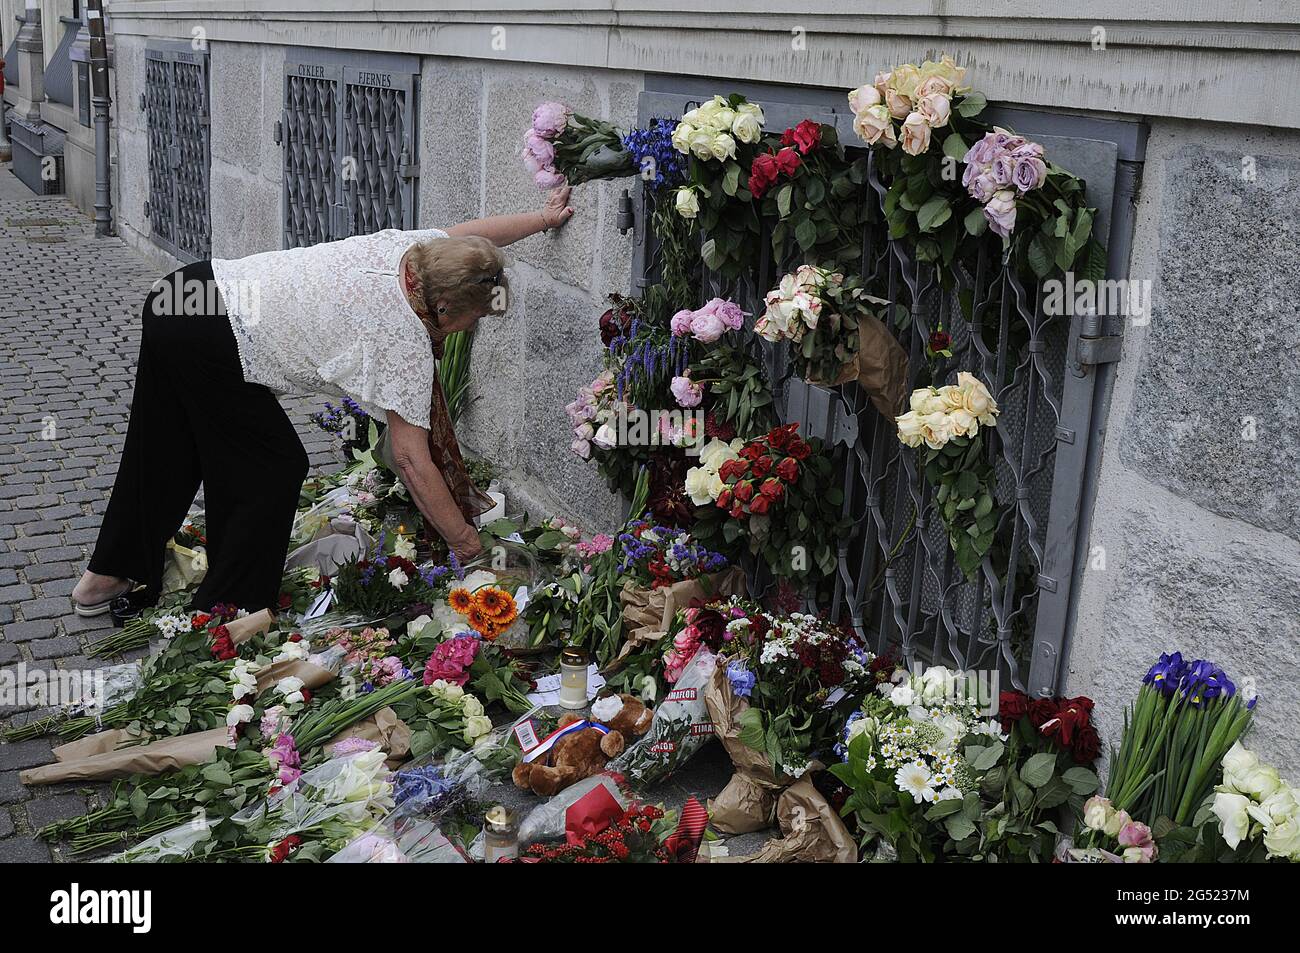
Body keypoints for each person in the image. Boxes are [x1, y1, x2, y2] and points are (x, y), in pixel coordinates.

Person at [69, 188, 575, 616]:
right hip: (208, 335)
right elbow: (411, 462)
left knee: (165, 447)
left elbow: (476, 235)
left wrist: (544, 218)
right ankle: (230, 612)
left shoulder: (418, 256)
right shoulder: (401, 337)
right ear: (443, 307)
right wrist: (467, 544)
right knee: (271, 469)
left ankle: (105, 577)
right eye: (475, 317)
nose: (476, 326)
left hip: (185, 293)